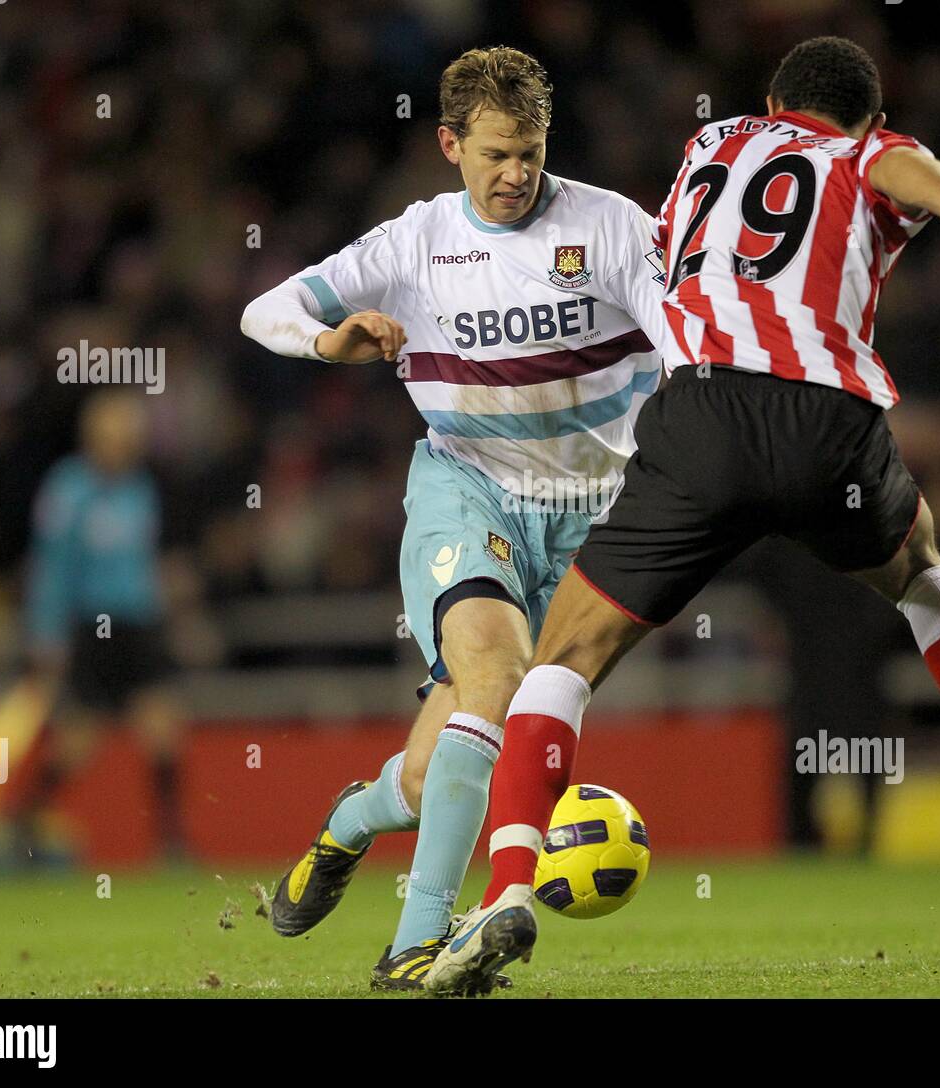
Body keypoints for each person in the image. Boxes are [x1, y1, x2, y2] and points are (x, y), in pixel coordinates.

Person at [426, 35, 940, 995]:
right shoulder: (858, 150)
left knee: (564, 658)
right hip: (828, 422)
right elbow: (886, 162)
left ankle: (511, 888)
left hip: (704, 419)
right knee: (925, 579)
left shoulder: (711, 144)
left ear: (773, 100)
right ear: (864, 115)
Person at [240, 45, 666, 990]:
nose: (517, 174)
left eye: (532, 152)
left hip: (590, 516)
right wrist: (326, 340)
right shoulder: (414, 243)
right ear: (449, 144)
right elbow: (261, 311)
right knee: (492, 677)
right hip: (464, 489)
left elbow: (680, 338)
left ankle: (352, 821)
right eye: (496, 155)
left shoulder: (613, 229)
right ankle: (415, 946)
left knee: (444, 775)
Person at [15, 390, 183, 862]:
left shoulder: (140, 487)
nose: (126, 444)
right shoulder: (68, 489)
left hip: (140, 627)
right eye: (117, 434)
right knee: (78, 742)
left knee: (163, 730)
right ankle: (21, 824)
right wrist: (46, 634)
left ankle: (170, 843)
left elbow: (143, 560)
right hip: (94, 629)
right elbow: (52, 566)